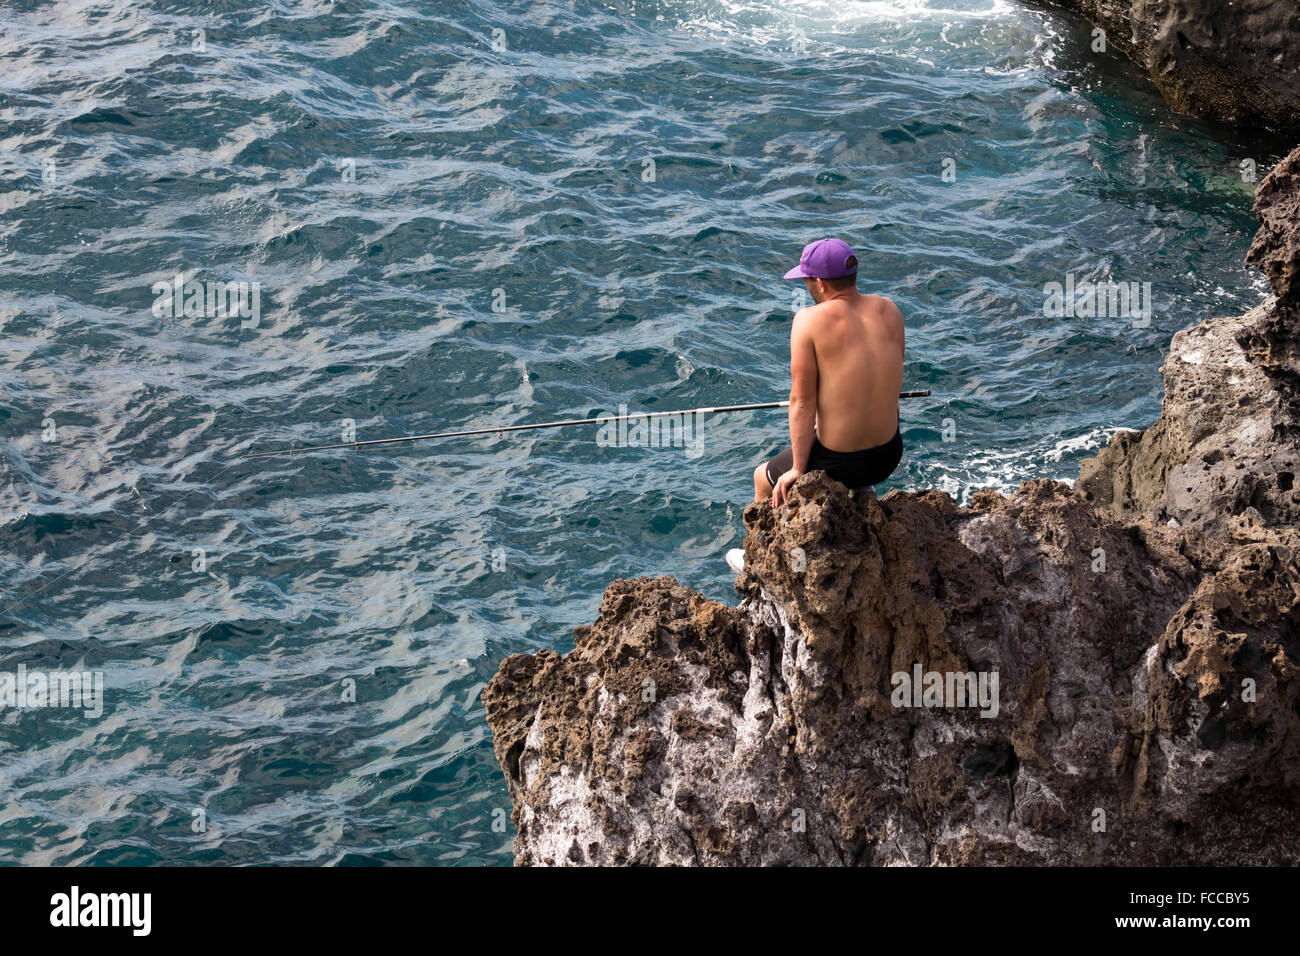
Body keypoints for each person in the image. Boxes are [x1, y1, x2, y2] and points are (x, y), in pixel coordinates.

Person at [726, 237, 905, 574]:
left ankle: (759, 563)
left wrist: (797, 467)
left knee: (763, 478)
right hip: (888, 456)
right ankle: (861, 490)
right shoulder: (889, 309)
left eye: (806, 280)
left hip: (840, 465)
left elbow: (801, 402)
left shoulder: (808, 321)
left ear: (820, 284)